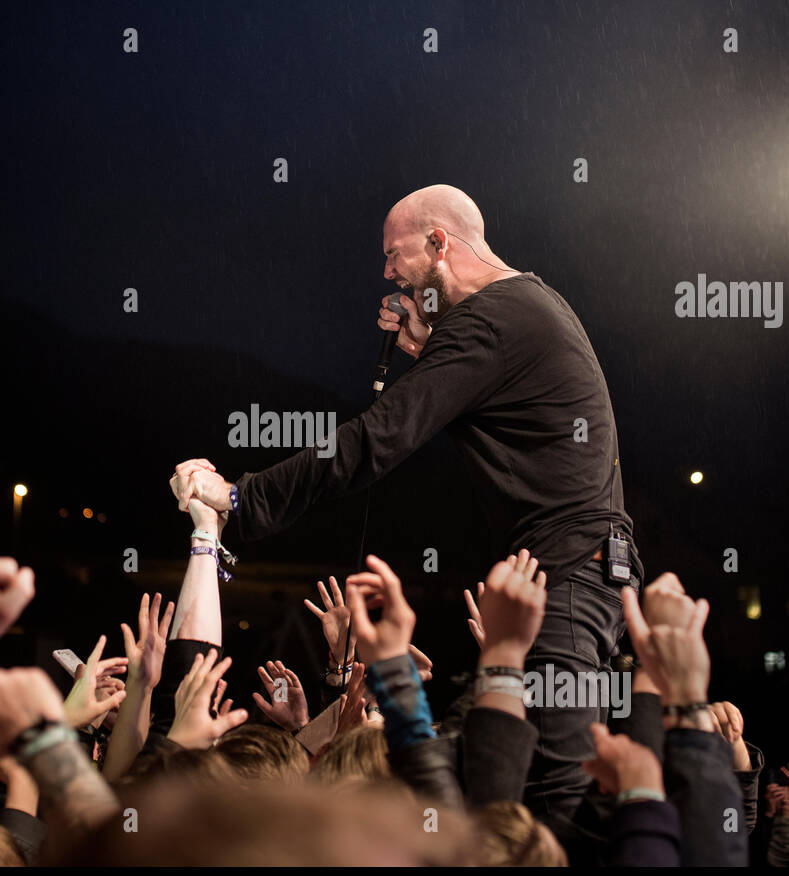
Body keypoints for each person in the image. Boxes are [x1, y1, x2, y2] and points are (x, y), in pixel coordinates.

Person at [170, 183, 642, 833]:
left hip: (569, 569)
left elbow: (376, 439)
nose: (386, 274)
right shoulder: (518, 308)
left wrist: (241, 498)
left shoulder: (495, 317)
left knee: (545, 792)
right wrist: (431, 340)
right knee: (524, 773)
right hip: (580, 566)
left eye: (395, 257)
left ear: (439, 244)